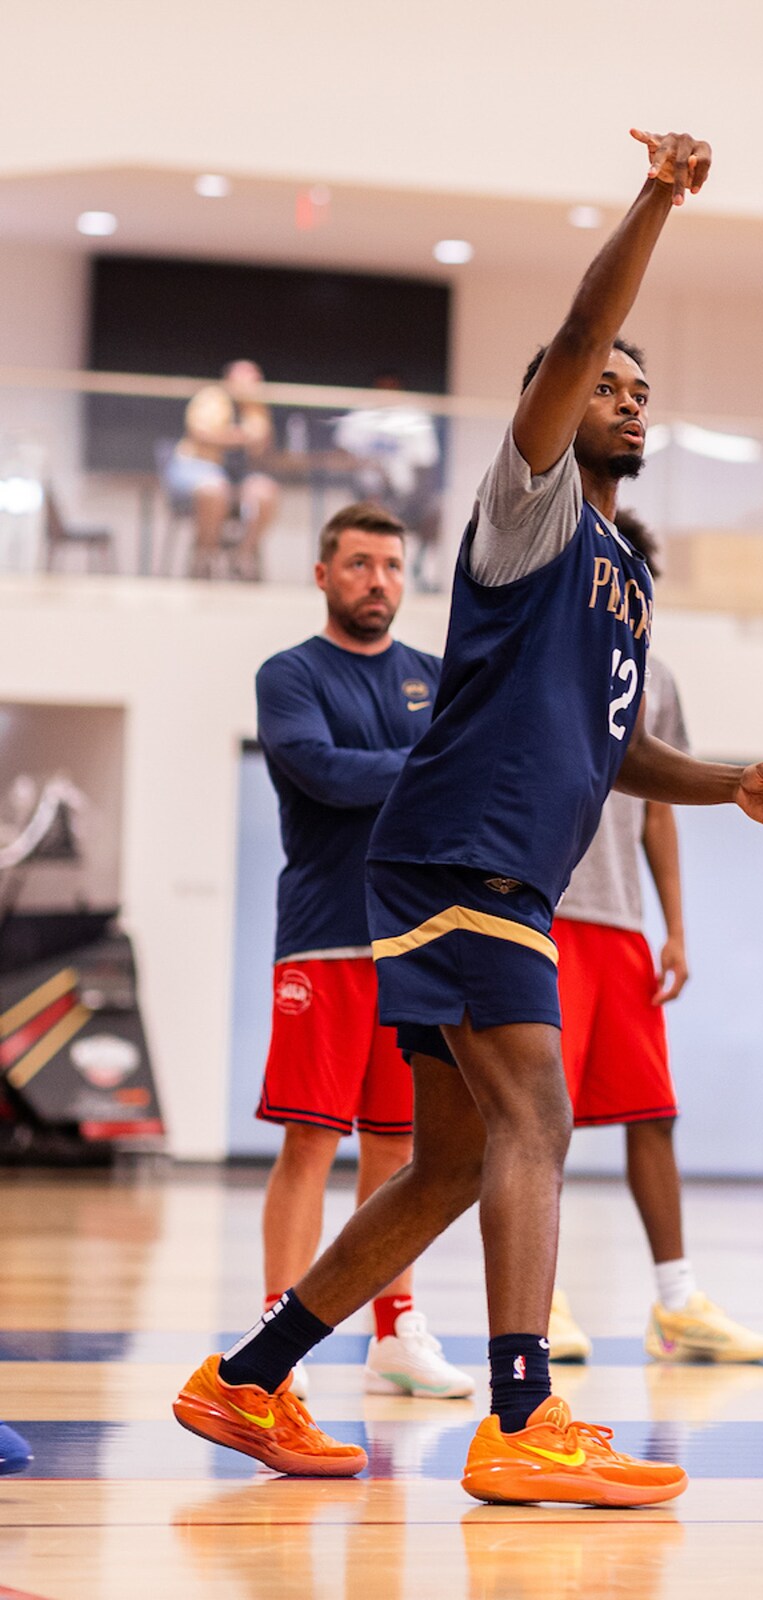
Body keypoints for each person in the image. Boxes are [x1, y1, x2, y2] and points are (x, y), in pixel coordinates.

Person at [174, 126, 763, 1508]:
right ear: (556, 402)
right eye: (607, 385)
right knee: (544, 1110)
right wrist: (655, 199)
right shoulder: (529, 510)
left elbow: (613, 745)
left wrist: (727, 782)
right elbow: (580, 328)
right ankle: (522, 1416)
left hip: (486, 862)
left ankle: (248, 1378)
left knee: (455, 1162)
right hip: (463, 852)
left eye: (643, 391)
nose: (627, 399)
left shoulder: (627, 576)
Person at [549, 511, 763, 1368]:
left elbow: (659, 808)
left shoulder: (659, 678)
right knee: (543, 1121)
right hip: (548, 913)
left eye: (640, 587)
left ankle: (678, 1306)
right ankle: (539, 1302)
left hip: (621, 925)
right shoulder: (549, 652)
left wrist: (675, 928)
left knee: (653, 1112)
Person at [253, 499, 471, 1403]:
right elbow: (323, 773)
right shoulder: (290, 675)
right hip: (325, 938)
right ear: (322, 574)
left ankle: (393, 1333)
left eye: (390, 566)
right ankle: (276, 1337)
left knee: (399, 1147)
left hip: (414, 940)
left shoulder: (432, 675)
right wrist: (430, 768)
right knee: (311, 1140)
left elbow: (469, 776)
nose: (377, 581)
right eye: (357, 564)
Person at [164, 359, 280, 580]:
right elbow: (202, 434)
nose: (253, 383)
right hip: (198, 468)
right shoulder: (211, 398)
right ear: (229, 379)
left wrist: (254, 439)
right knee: (215, 489)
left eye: (256, 379)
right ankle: (205, 557)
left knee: (266, 491)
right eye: (247, 378)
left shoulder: (255, 406)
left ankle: (243, 556)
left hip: (238, 475)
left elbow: (262, 446)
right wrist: (240, 437)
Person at [333, 373, 444, 592]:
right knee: (361, 514)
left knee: (434, 511)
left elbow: (425, 467)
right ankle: (356, 573)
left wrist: (407, 501)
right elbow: (342, 456)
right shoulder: (360, 415)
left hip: (406, 497)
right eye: (382, 388)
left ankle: (421, 569)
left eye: (391, 389)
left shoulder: (414, 418)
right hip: (366, 496)